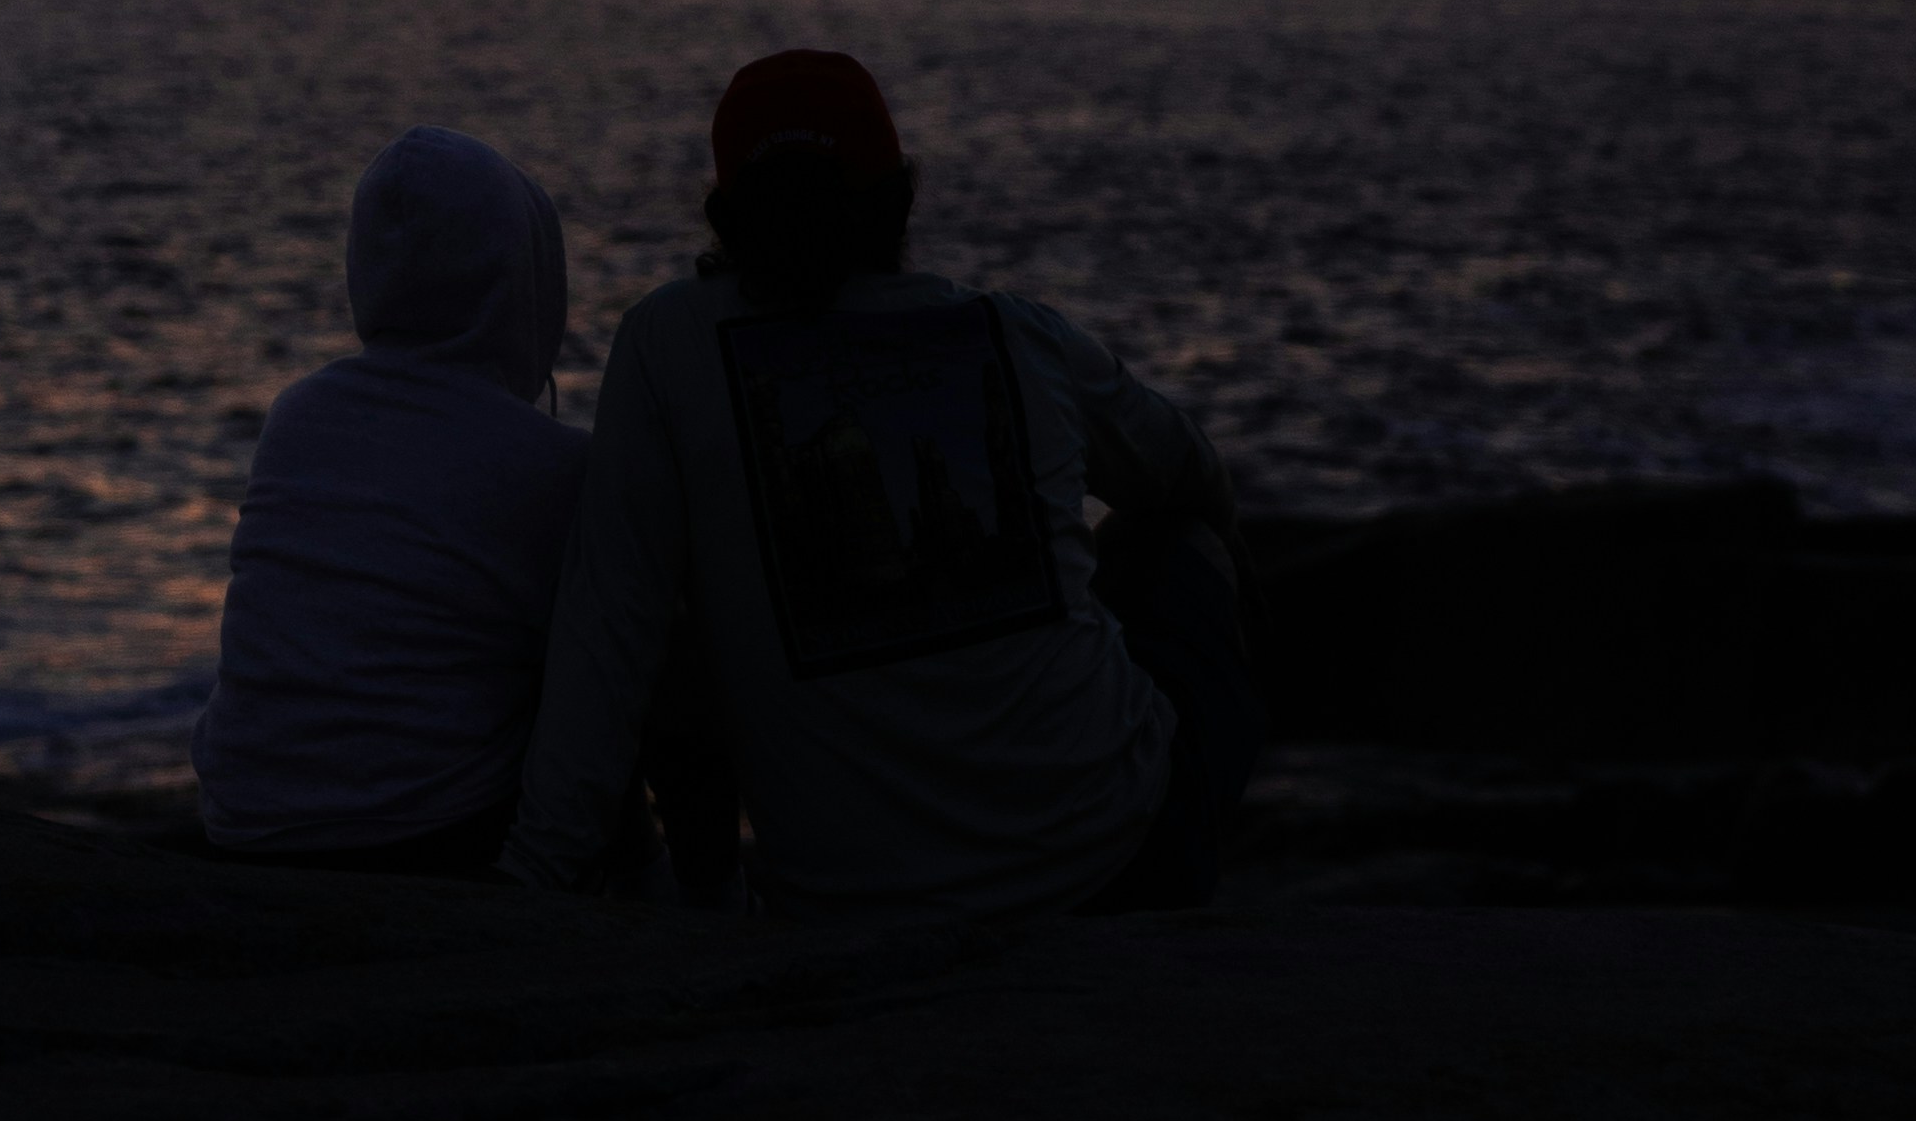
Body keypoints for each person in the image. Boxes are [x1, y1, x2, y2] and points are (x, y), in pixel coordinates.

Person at [500, 49, 1260, 922]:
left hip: (847, 903)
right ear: (899, 202)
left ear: (725, 216)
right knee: (1174, 542)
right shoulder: (1014, 334)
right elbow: (1193, 470)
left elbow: (611, 628)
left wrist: (536, 874)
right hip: (1121, 862)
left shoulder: (668, 344)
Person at [193, 123, 588, 874]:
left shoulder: (298, 414)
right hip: (420, 834)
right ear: (520, 280)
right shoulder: (549, 461)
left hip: (243, 822)